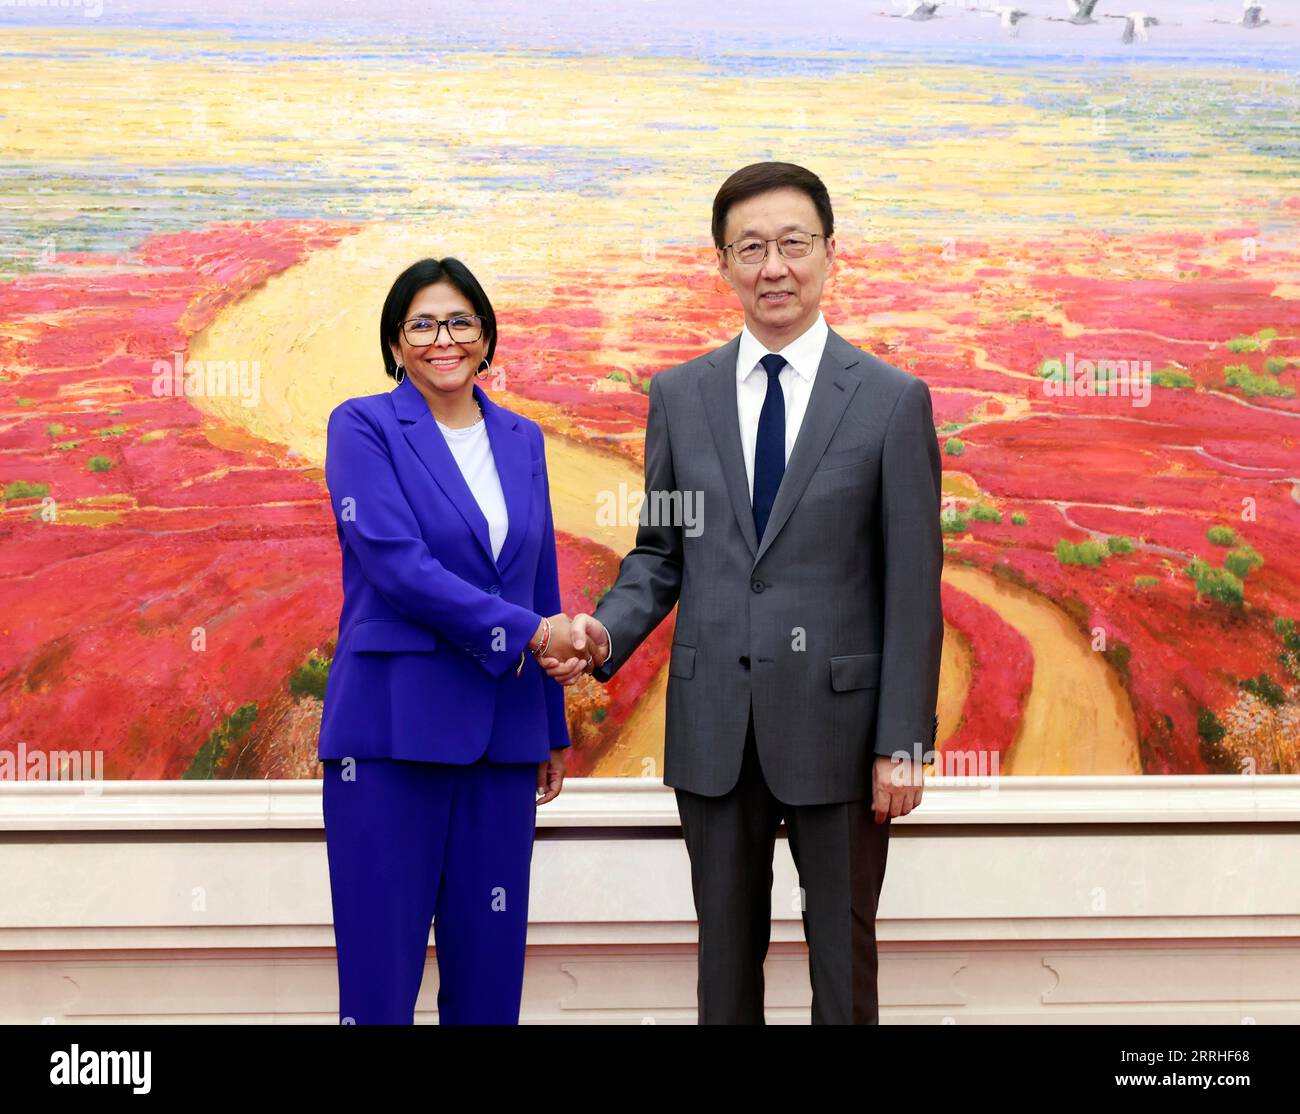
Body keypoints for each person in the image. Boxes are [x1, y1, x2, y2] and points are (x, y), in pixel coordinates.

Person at [542, 162, 943, 1024]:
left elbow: (914, 586)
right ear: (721, 263)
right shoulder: (680, 397)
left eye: (793, 244)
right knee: (723, 973)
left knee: (843, 966)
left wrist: (902, 742)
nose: (774, 267)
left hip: (843, 733)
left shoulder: (889, 402)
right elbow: (660, 553)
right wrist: (602, 634)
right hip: (717, 725)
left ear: (830, 255)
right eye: (750, 247)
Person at [318, 257, 585, 1024]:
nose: (444, 339)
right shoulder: (362, 425)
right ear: (396, 344)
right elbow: (398, 566)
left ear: (486, 336)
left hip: (503, 740)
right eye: (423, 324)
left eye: (461, 321)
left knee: (490, 987)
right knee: (378, 987)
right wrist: (531, 633)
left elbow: (537, 575)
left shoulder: (522, 438)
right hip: (390, 736)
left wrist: (551, 723)